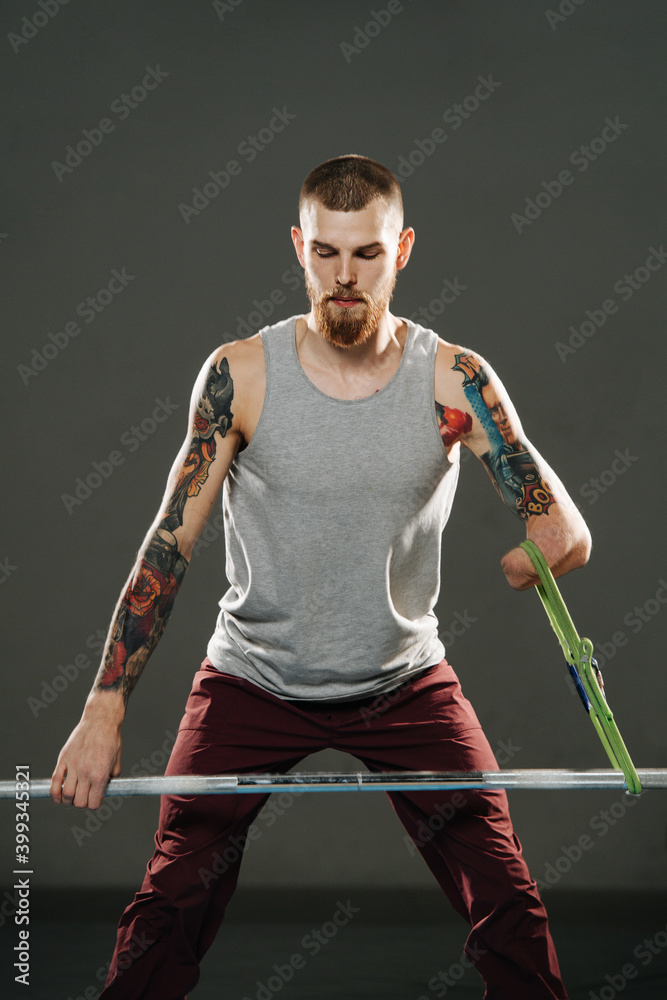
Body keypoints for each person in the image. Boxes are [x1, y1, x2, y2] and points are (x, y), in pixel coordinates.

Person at [51, 154, 591, 999]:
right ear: (299, 248)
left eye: (366, 254)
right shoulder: (240, 375)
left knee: (507, 901)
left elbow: (564, 528)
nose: (343, 277)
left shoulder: (453, 379)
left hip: (403, 683)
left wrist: (542, 549)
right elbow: (169, 543)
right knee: (170, 904)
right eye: (326, 253)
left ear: (400, 250)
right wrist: (102, 707)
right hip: (251, 680)